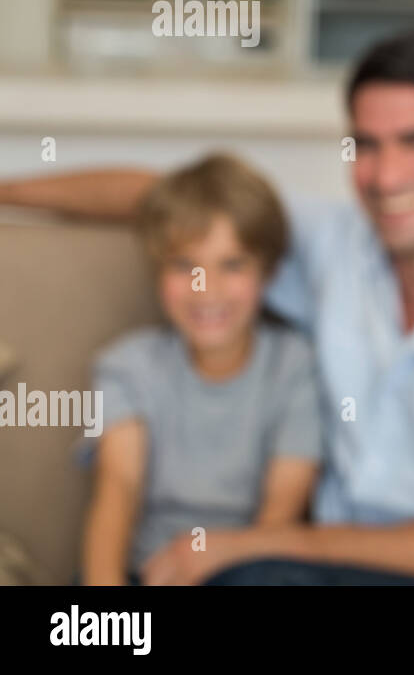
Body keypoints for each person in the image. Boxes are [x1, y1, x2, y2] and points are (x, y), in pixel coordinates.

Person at [4, 30, 414, 585]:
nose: (386, 176)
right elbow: (165, 197)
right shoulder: (335, 248)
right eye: (366, 145)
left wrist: (268, 542)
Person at [81, 153, 324, 586]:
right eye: (184, 265)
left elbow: (279, 516)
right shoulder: (127, 366)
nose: (205, 288)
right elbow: (117, 489)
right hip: (148, 574)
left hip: (248, 565)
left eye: (232, 265)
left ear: (267, 274)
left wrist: (219, 557)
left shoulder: (295, 367)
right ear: (157, 270)